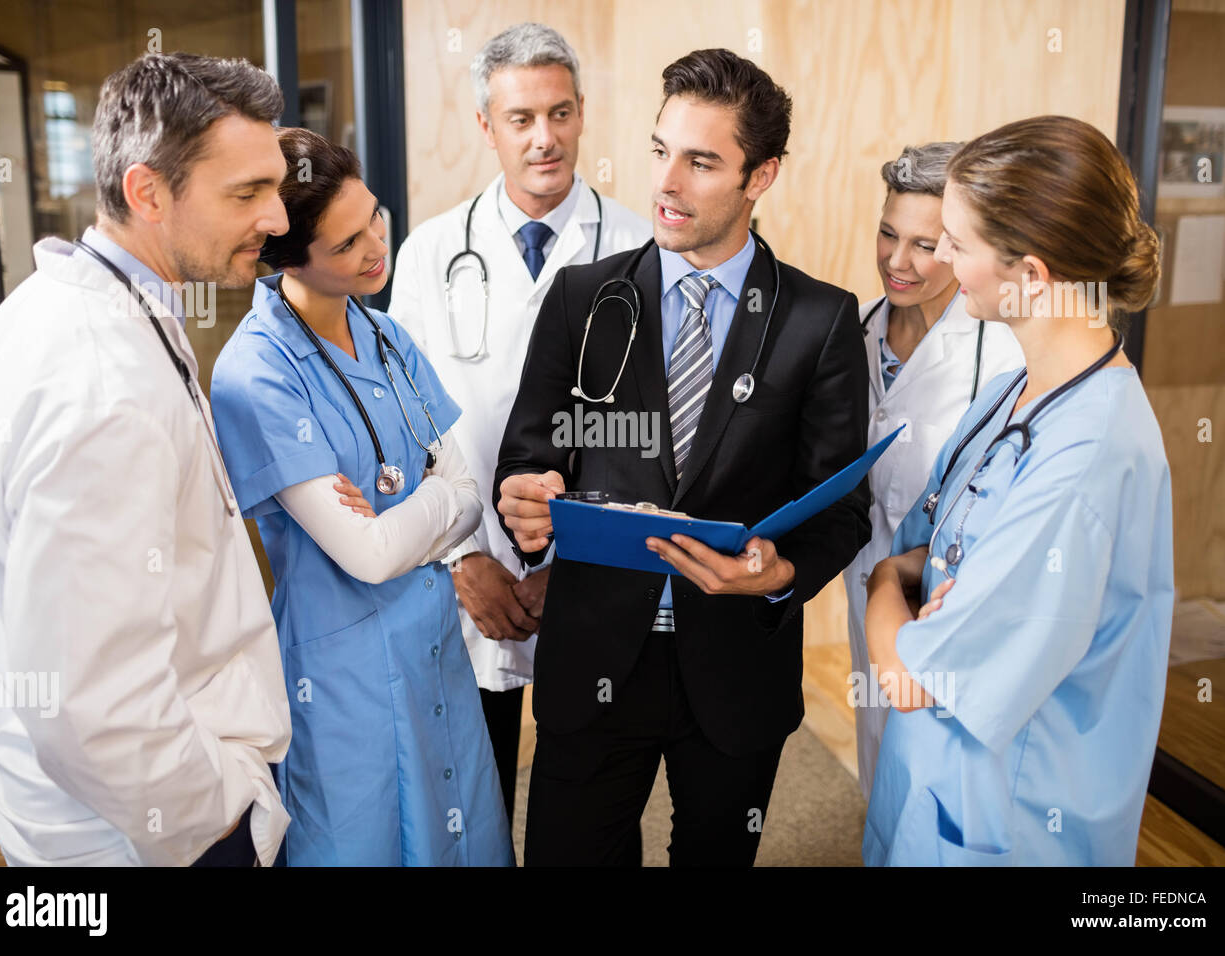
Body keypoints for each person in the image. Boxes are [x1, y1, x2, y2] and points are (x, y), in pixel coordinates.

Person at [495, 48, 870, 866]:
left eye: (702, 162)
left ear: (760, 175)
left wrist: (775, 574)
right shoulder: (582, 299)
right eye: (662, 150)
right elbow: (531, 454)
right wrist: (524, 494)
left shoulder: (819, 321)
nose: (666, 183)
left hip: (735, 664)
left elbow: (842, 507)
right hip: (596, 655)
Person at [0, 53, 292, 866]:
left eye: (275, 185)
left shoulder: (61, 309)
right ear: (148, 193)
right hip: (144, 830)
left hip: (92, 801)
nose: (279, 218)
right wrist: (215, 814)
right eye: (246, 193)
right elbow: (92, 702)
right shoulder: (101, 385)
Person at [862, 115, 1172, 866]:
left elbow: (910, 675)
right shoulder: (1011, 394)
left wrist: (882, 584)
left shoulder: (1086, 456)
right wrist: (904, 589)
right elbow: (920, 558)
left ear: (1031, 276)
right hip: (936, 784)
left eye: (957, 246)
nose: (946, 266)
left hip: (1017, 817)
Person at [210, 128, 513, 866]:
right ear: (289, 255)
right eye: (347, 245)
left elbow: (470, 491)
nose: (377, 246)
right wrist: (435, 503)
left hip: (434, 643)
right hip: (339, 678)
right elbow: (369, 556)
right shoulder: (256, 374)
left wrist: (424, 508)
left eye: (374, 217)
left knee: (463, 840)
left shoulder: (388, 338)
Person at [388, 22, 649, 824]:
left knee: (584, 804)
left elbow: (648, 437)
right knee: (476, 794)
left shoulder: (641, 246)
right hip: (466, 566)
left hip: (589, 566)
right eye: (521, 119)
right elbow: (405, 426)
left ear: (581, 113)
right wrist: (465, 558)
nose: (545, 139)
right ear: (485, 127)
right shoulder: (431, 253)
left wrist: (572, 561)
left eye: (561, 114)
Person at [840, 143, 1022, 800]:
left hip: (946, 593)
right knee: (877, 754)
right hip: (866, 580)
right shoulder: (853, 329)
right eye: (888, 234)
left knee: (939, 775)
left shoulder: (1001, 353)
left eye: (926, 245)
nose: (897, 261)